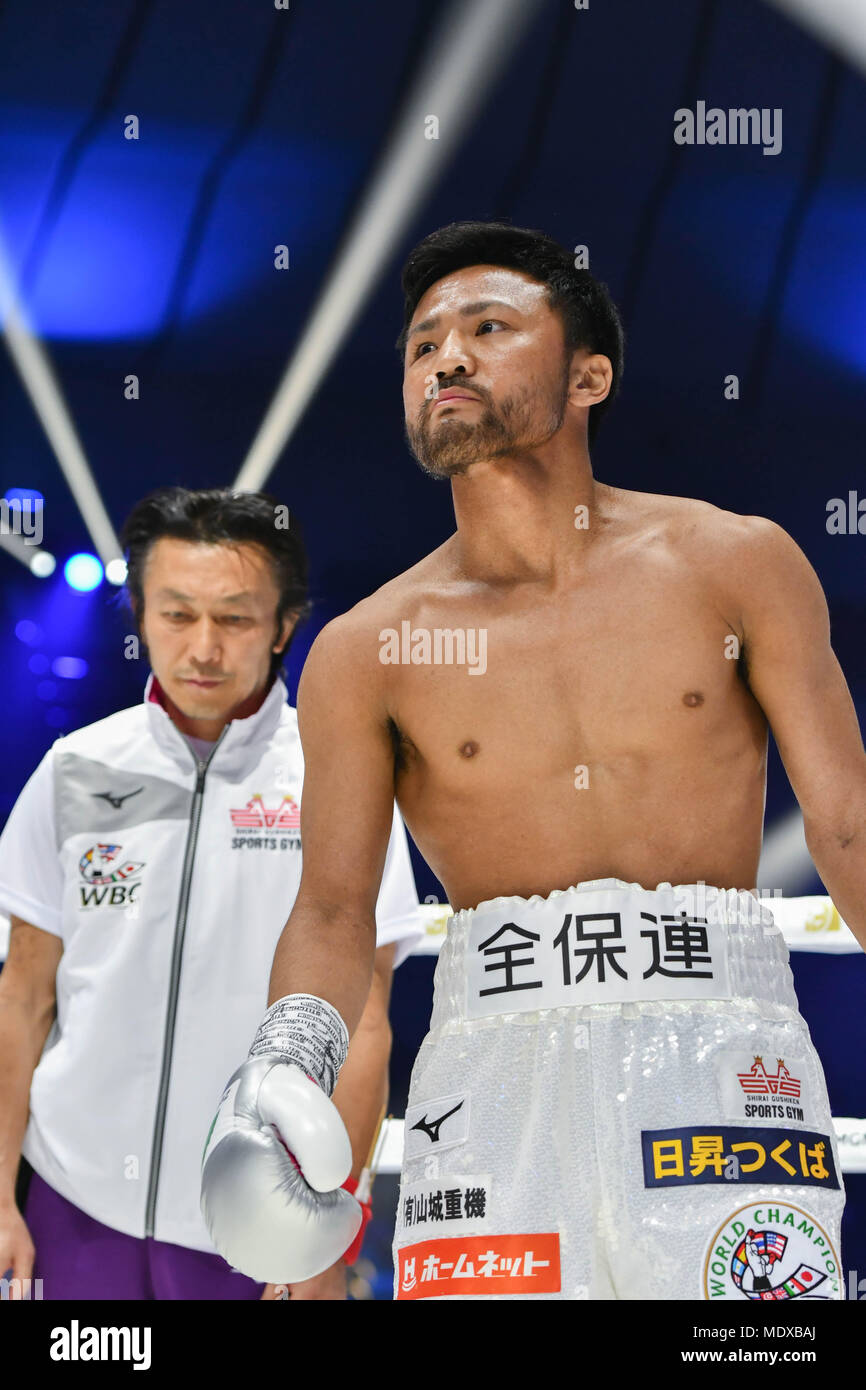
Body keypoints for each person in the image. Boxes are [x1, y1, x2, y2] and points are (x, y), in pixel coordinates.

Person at [202, 222, 865, 1301]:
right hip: (493, 1071)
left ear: (588, 373)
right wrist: (285, 1058)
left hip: (721, 1056)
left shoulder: (734, 564)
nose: (445, 357)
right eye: (421, 345)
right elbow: (330, 910)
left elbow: (845, 827)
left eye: (487, 328)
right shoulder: (371, 648)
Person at [0, 487, 421, 1301]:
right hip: (71, 1200)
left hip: (256, 1217)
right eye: (176, 613)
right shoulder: (78, 767)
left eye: (233, 618)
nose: (202, 647)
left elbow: (366, 1021)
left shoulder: (336, 780)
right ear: (141, 614)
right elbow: (21, 997)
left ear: (283, 626)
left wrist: (329, 1232)